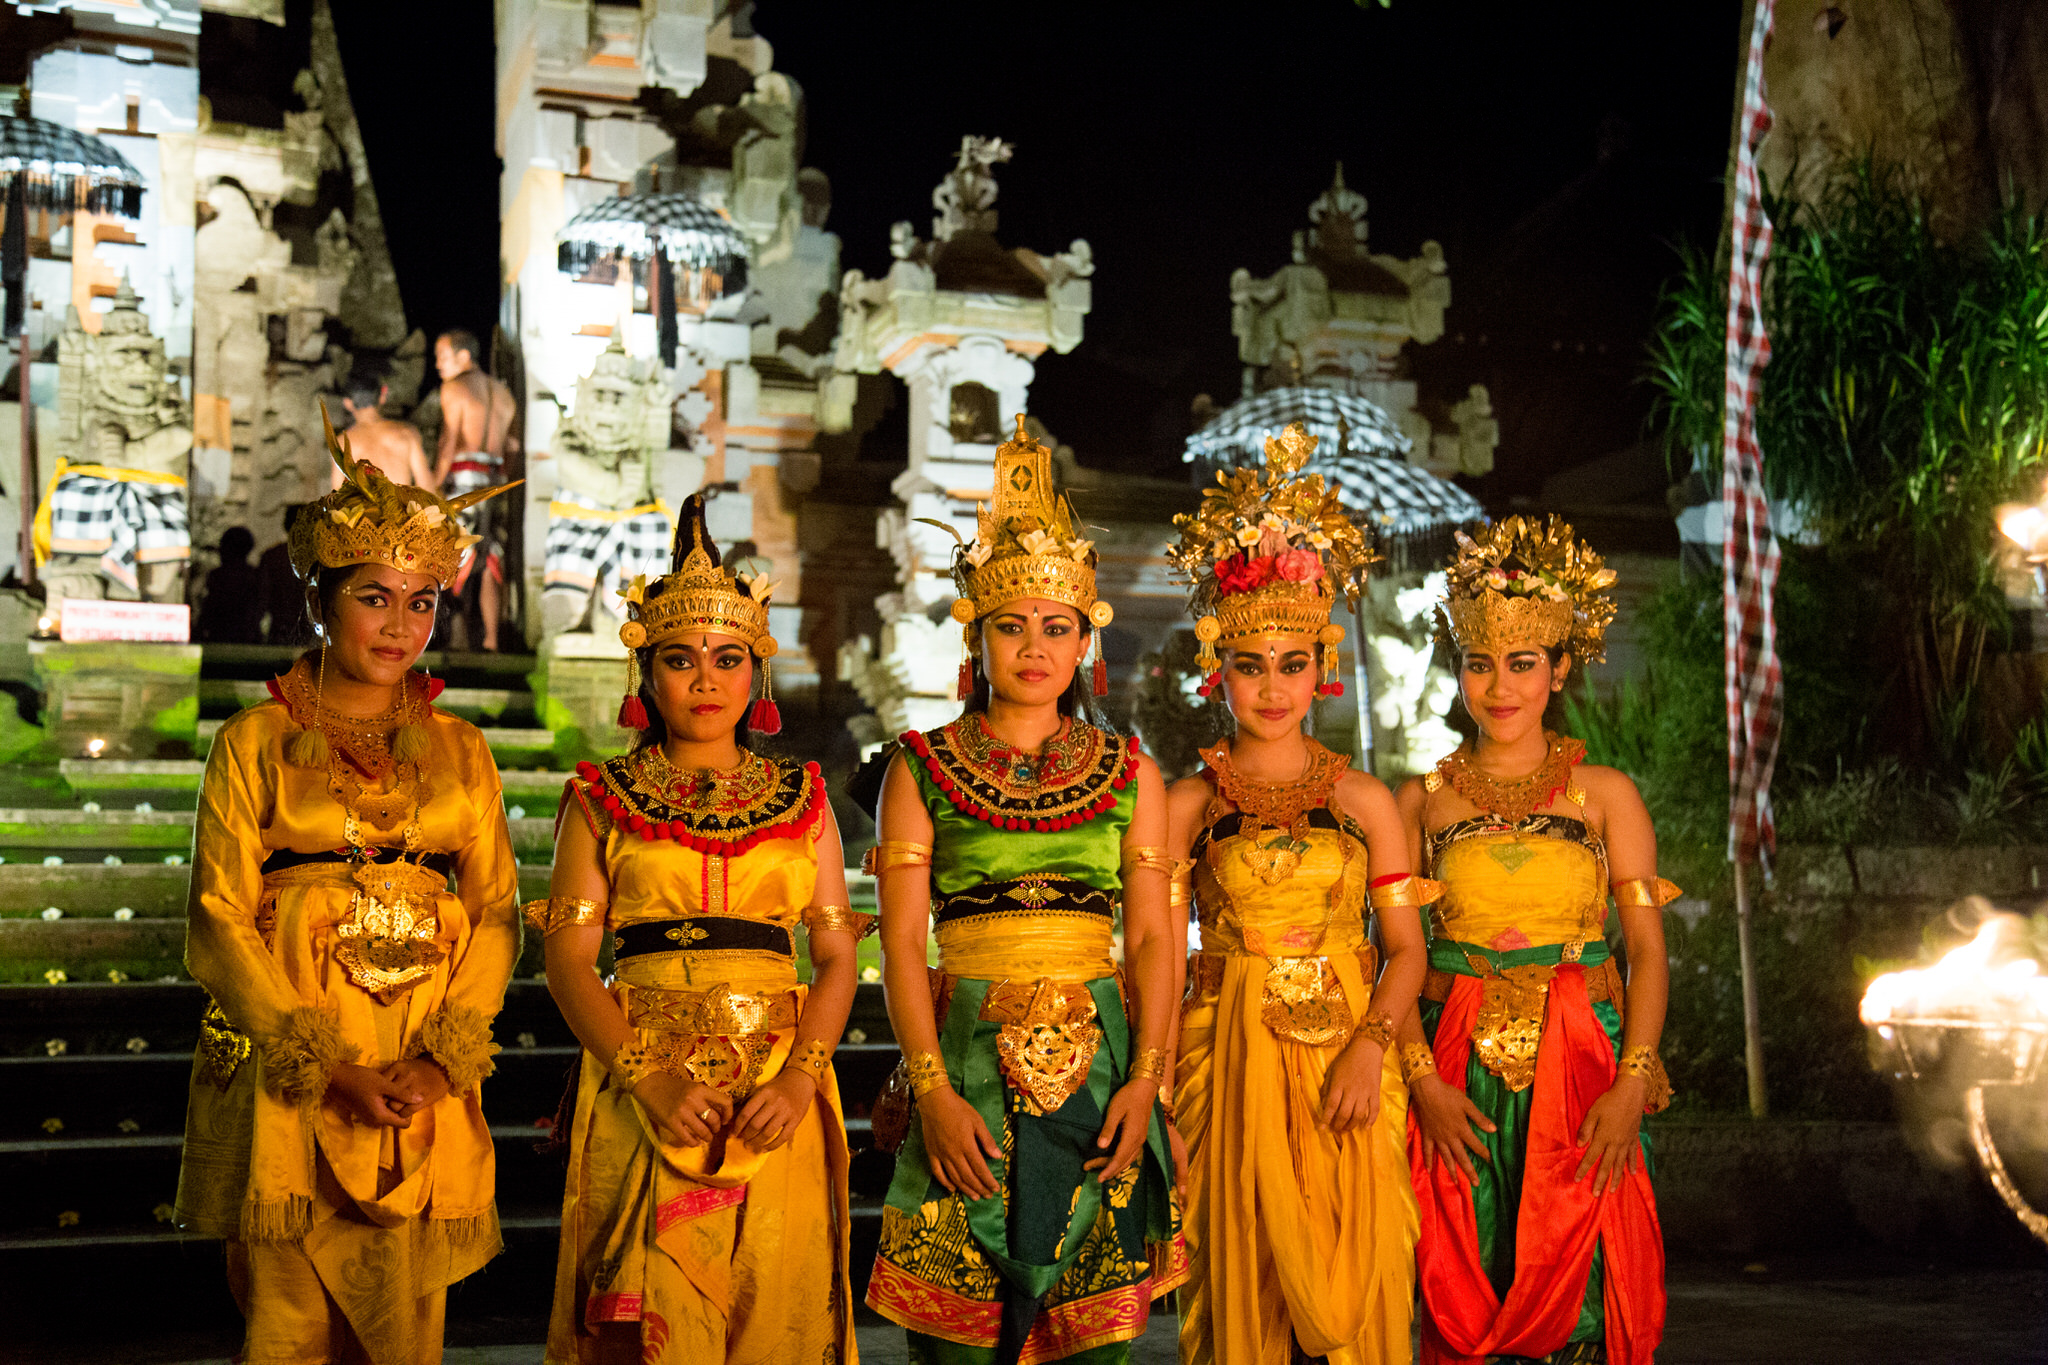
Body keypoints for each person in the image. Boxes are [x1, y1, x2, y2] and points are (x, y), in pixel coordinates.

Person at [173, 410, 523, 1364]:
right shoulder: (251, 741)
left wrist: (447, 1054)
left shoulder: (463, 748)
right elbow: (214, 915)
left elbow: (497, 911)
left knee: (406, 1315)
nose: (400, 625)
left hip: (422, 1045)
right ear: (323, 601)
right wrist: (320, 1059)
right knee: (290, 1307)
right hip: (296, 1049)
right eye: (376, 597)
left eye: (421, 603)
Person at [865, 416, 1187, 1365]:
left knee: (1093, 1343)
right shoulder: (919, 767)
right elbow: (902, 946)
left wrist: (1146, 1078)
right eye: (1012, 626)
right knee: (959, 1343)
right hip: (961, 1059)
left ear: (1086, 640)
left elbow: (1156, 943)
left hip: (1099, 1071)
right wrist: (929, 1091)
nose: (1034, 647)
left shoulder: (1132, 769)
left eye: (1057, 627)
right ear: (980, 634)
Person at [537, 493, 861, 1363]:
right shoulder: (600, 798)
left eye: (727, 658)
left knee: (775, 1315)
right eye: (681, 659)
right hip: (643, 1083)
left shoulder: (805, 800)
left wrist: (799, 1081)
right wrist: (646, 1079)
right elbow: (568, 961)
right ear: (646, 673)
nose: (706, 679)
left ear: (756, 672)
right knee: (648, 1326)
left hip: (776, 1092)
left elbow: (836, 956)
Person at [1162, 421, 1429, 1365]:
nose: (1271, 687)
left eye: (1291, 662)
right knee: (1244, 1274)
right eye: (1249, 663)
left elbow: (1407, 950)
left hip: (1348, 1053)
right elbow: (1155, 954)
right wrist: (1158, 1085)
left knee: (1355, 1283)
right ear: (1217, 668)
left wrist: (1371, 1047)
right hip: (1226, 1051)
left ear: (1321, 668)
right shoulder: (1188, 803)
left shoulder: (1363, 802)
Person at [1395, 516, 1676, 1365]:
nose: (1499, 686)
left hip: (1588, 1064)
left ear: (1559, 668)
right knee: (1460, 1283)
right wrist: (1421, 1083)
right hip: (1455, 1072)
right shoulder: (1423, 801)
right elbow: (1392, 956)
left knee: (1586, 1291)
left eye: (1522, 663)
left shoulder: (1604, 795)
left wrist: (1632, 1082)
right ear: (1461, 669)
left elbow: (1648, 951)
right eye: (1481, 663)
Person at [433, 328, 516, 651]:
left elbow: (448, 442)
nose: (438, 365)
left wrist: (435, 485)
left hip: (464, 477)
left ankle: (456, 634)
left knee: (454, 551)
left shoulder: (454, 388)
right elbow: (513, 446)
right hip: (495, 480)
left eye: (442, 357)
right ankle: (492, 639)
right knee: (492, 558)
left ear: (463, 356)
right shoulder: (504, 394)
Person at [335, 374, 436, 490]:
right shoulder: (406, 433)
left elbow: (337, 492)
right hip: (401, 507)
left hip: (365, 508)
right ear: (383, 395)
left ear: (347, 403)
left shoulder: (343, 442)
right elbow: (426, 485)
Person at [196, 525, 263, 644]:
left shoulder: (218, 576)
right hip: (248, 641)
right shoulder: (255, 576)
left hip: (219, 639)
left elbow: (209, 609)